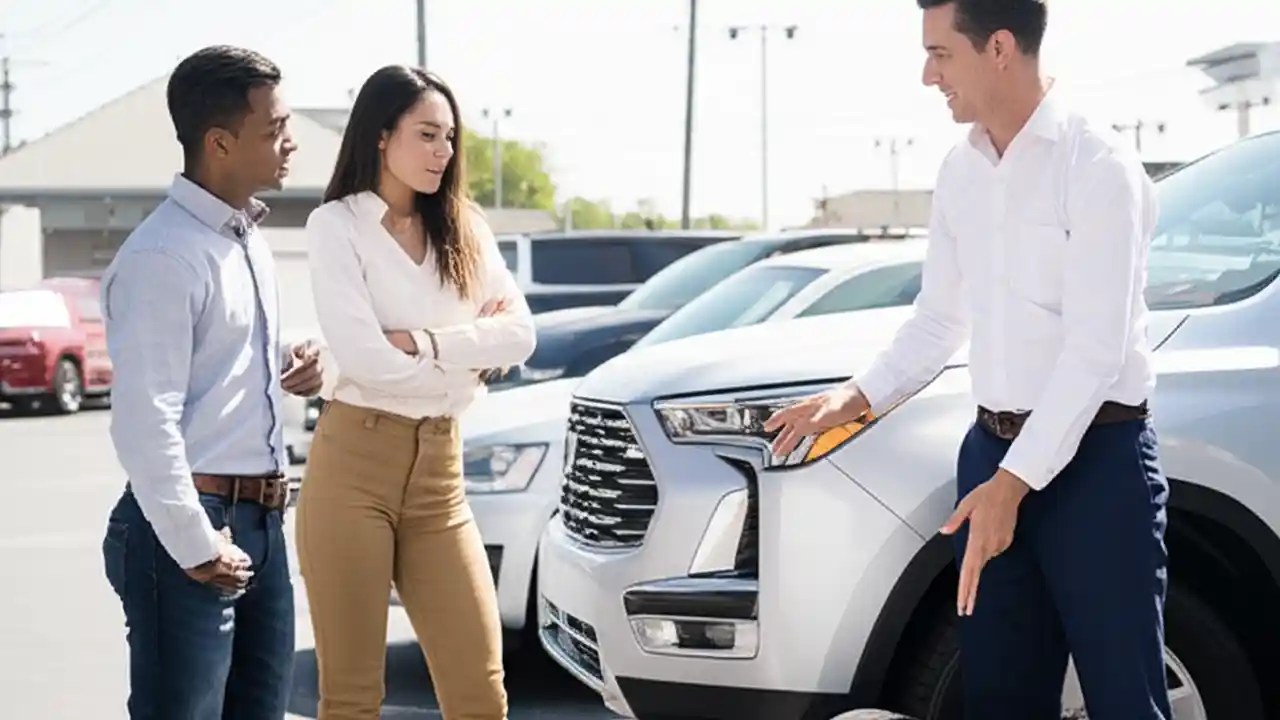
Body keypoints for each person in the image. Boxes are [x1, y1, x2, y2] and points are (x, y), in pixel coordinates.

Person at [765, 2, 1171, 718]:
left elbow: (1095, 352)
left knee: (1123, 700)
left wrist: (1014, 485)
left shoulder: (1099, 164)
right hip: (990, 461)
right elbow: (938, 321)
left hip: (1098, 467)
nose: (928, 76)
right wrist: (853, 398)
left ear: (1001, 48)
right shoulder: (960, 171)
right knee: (999, 699)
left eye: (941, 54)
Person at [298, 64, 535, 719]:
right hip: (353, 470)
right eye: (427, 135)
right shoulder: (336, 227)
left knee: (480, 692)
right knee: (350, 697)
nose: (444, 152)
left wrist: (426, 343)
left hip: (441, 478)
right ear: (381, 136)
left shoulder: (465, 227)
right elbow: (366, 362)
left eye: (450, 138)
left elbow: (520, 336)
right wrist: (465, 355)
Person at [100, 45, 323, 719]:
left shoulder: (242, 237)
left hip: (261, 519)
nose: (290, 144)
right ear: (220, 142)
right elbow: (145, 421)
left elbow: (218, 354)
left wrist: (292, 356)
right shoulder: (162, 257)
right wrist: (196, 546)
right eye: (275, 129)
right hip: (192, 526)